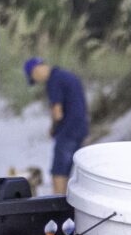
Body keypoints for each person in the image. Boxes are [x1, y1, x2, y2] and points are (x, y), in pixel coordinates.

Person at [24, 57, 88, 196]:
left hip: (67, 130)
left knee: (58, 172)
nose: (37, 81)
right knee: (67, 170)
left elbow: (57, 112)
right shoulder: (66, 75)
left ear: (35, 70)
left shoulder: (54, 80)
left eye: (34, 78)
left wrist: (53, 128)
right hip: (80, 128)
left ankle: (57, 207)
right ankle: (65, 203)